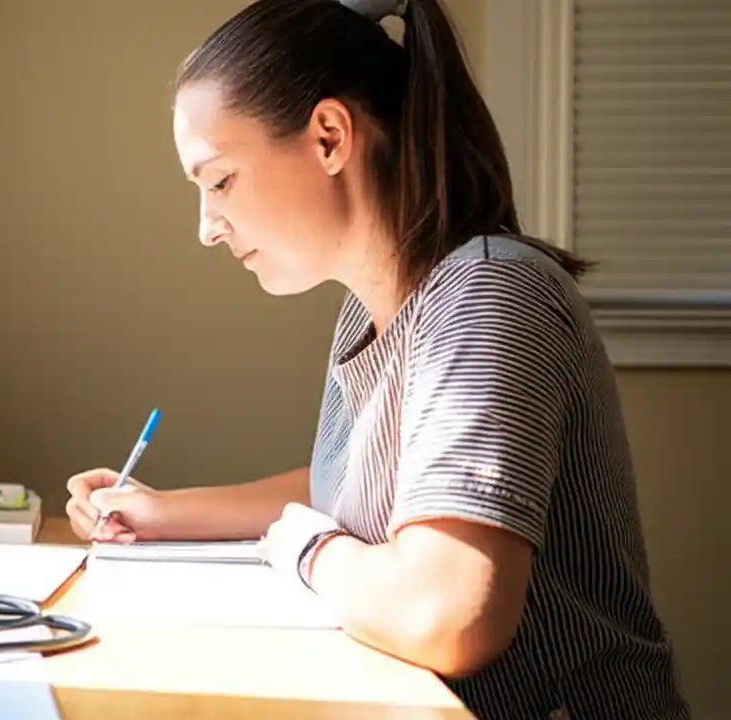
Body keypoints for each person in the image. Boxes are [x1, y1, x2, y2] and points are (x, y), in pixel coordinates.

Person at [62, 0, 690, 718]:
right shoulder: (371, 313)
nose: (208, 228)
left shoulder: (488, 296)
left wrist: (305, 550)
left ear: (330, 137)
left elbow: (448, 615)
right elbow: (354, 489)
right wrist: (162, 513)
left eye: (221, 181)